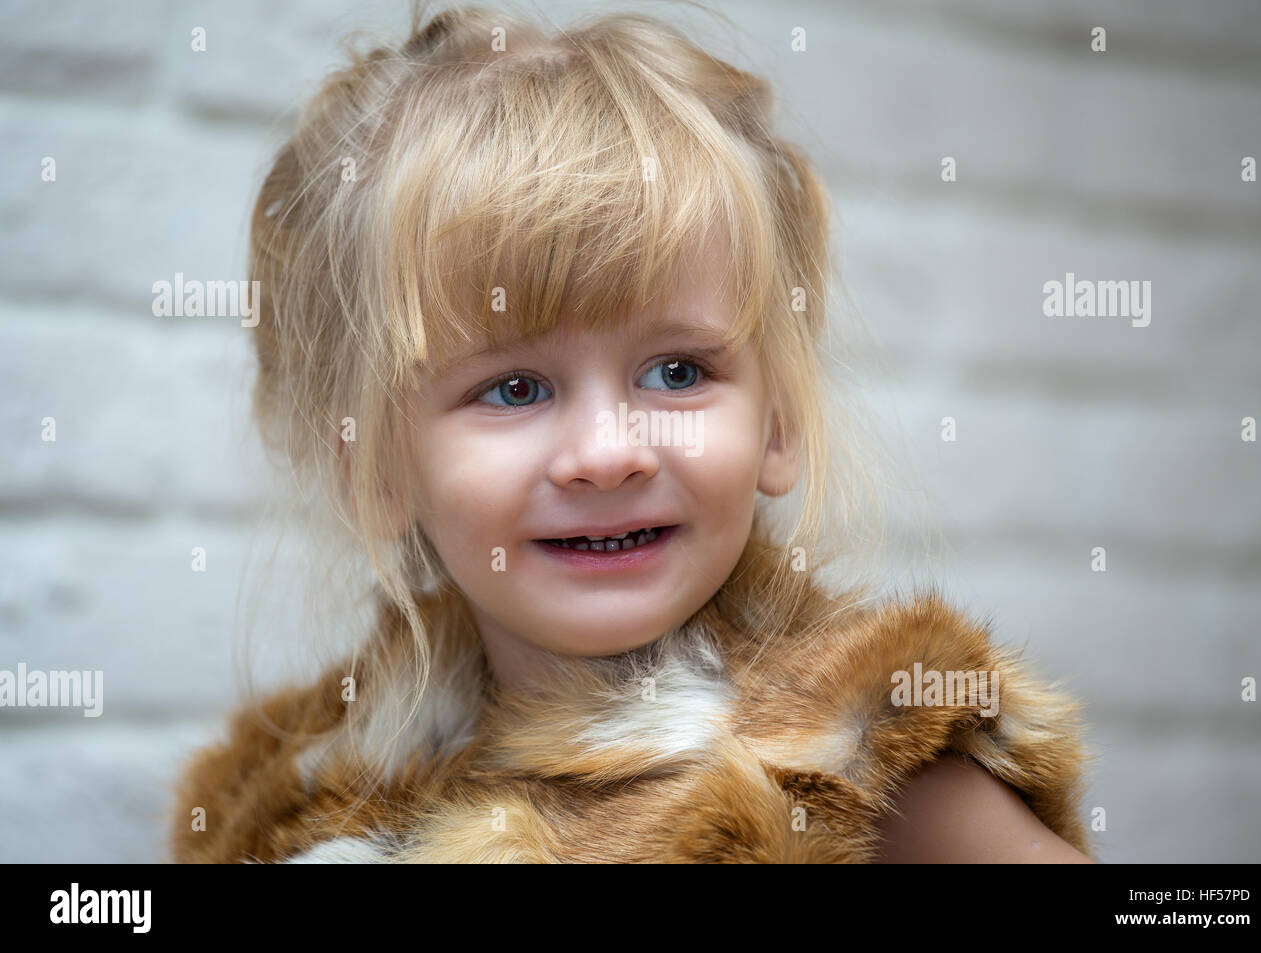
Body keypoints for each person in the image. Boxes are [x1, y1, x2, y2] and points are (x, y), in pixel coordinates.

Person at [170, 3, 1095, 863]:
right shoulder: (303, 796)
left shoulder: (858, 758)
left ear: (776, 424)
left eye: (679, 372)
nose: (609, 452)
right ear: (371, 464)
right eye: (515, 387)